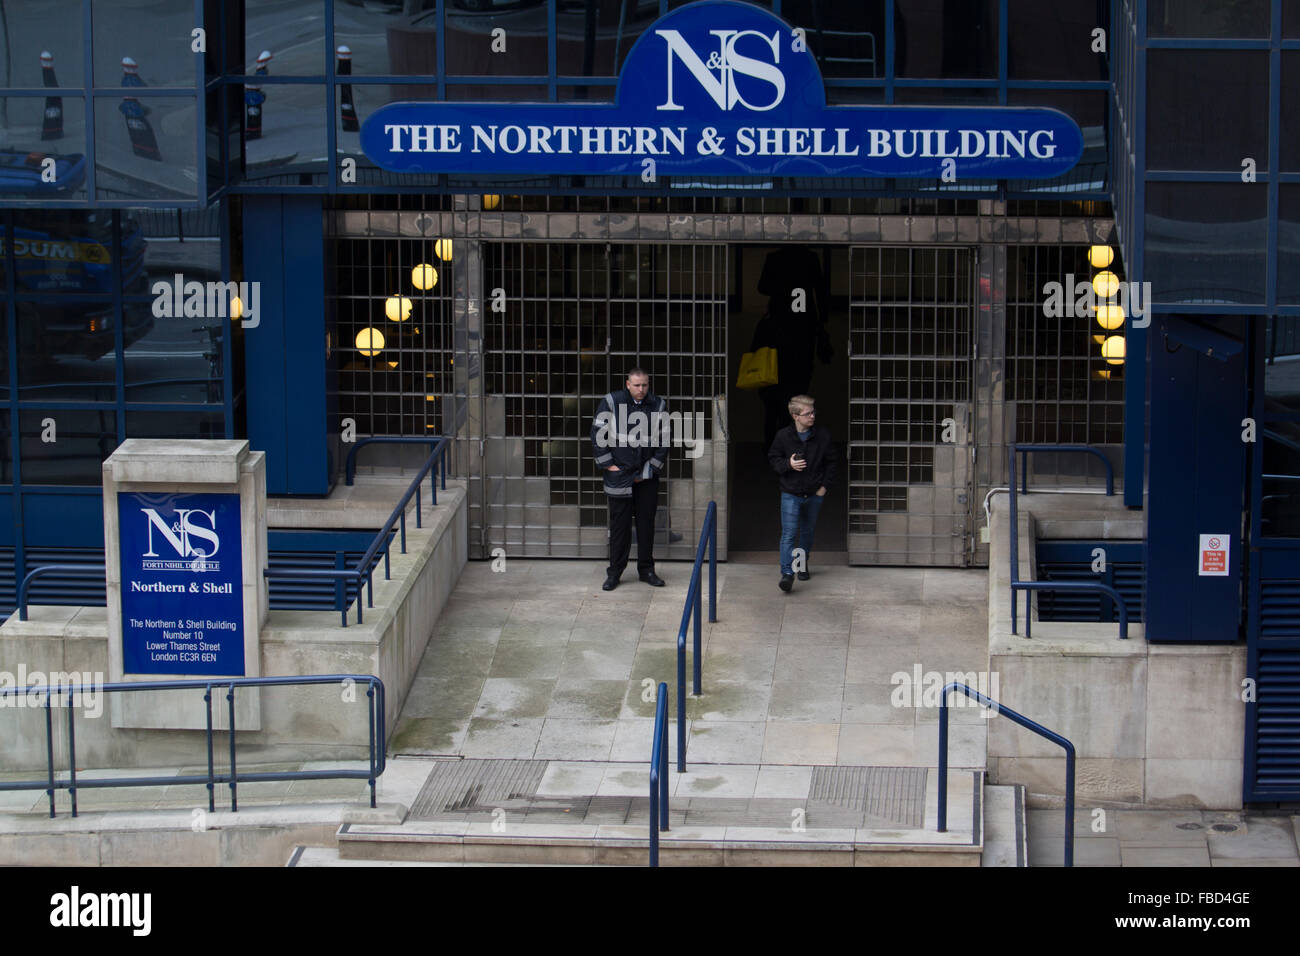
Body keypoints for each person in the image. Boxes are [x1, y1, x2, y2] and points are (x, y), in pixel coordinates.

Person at [590, 368, 669, 591]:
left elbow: (664, 439)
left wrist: (650, 470)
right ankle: (614, 573)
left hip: (646, 477)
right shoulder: (612, 402)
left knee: (646, 526)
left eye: (644, 385)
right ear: (627, 384)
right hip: (619, 475)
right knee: (619, 528)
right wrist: (608, 466)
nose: (641, 389)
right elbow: (597, 434)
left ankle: (647, 570)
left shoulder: (658, 404)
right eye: (636, 385)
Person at [768, 394, 837, 592]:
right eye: (808, 413)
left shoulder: (822, 435)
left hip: (814, 493)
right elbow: (773, 459)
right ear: (795, 416)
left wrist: (823, 488)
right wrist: (788, 464)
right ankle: (787, 573)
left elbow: (832, 462)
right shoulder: (783, 436)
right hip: (790, 493)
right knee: (789, 534)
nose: (812, 416)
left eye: (813, 412)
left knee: (807, 532)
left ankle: (802, 564)